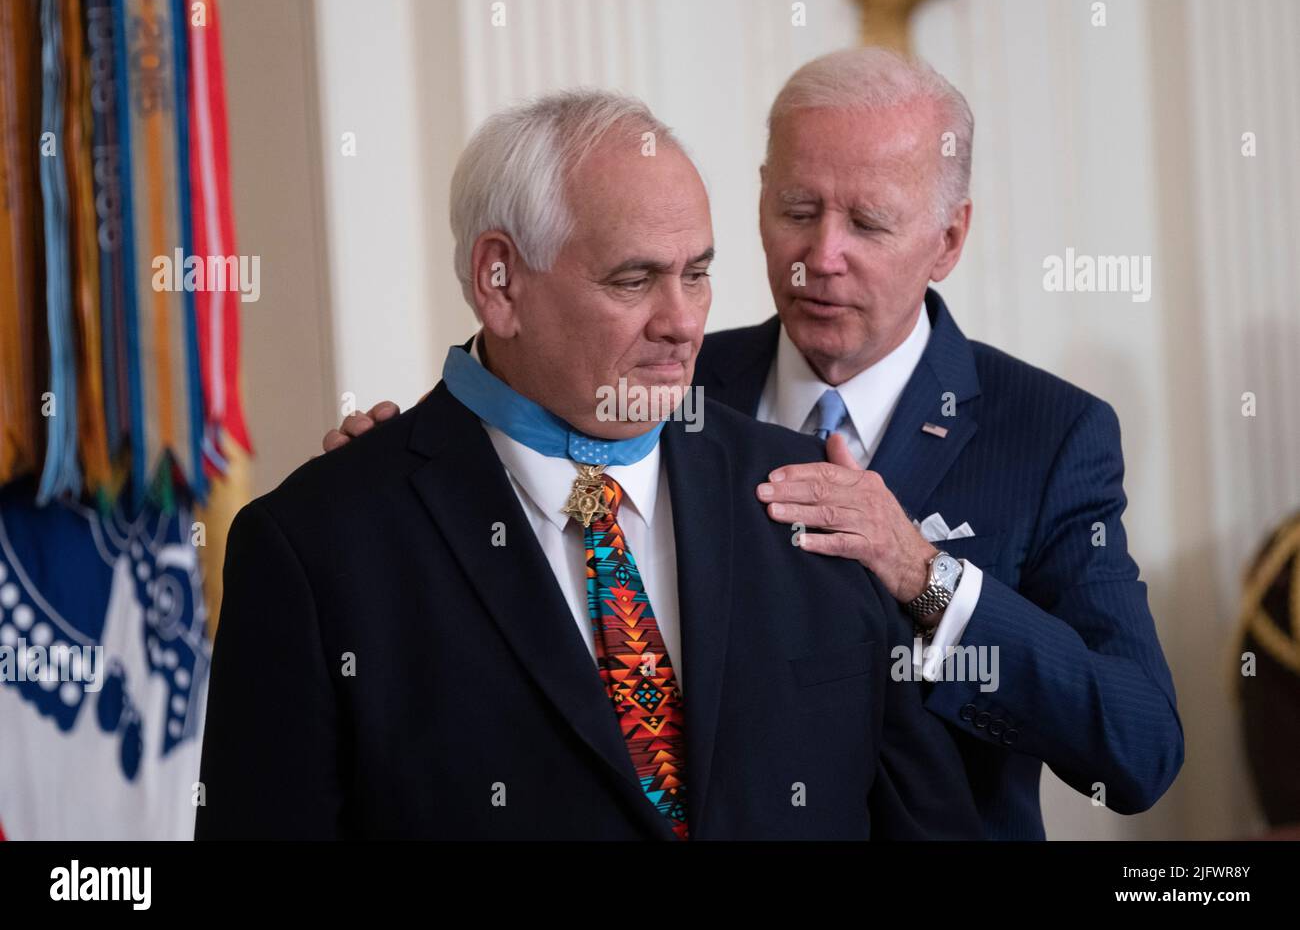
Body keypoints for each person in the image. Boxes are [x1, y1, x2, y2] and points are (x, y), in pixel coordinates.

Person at [328, 49, 1184, 839]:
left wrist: (928, 581)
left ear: (948, 241)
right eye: (796, 211)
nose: (821, 257)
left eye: (869, 224)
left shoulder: (1049, 435)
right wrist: (402, 486)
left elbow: (1140, 746)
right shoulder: (654, 383)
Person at [197, 89, 982, 840]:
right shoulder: (318, 547)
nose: (681, 323)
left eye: (698, 274)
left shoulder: (816, 494)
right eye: (633, 279)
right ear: (499, 283)